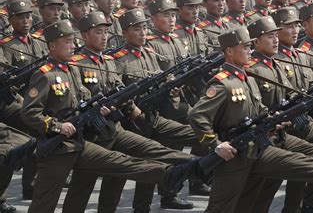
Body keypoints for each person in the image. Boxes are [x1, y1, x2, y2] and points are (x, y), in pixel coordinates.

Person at [188, 26, 313, 212]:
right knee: (220, 208)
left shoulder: (246, 77)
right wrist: (215, 145)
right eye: (245, 47)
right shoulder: (223, 83)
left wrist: (273, 119)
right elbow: (197, 116)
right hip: (234, 157)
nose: (249, 51)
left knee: (305, 164)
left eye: (250, 46)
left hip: (259, 147)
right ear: (229, 51)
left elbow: (258, 110)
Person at [20, 19, 200, 213]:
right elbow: (29, 113)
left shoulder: (72, 69)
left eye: (73, 41)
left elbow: (83, 101)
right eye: (67, 42)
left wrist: (100, 108)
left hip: (85, 139)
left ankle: (195, 166)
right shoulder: (46, 75)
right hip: (59, 146)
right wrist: (58, 126)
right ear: (52, 46)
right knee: (46, 203)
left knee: (128, 162)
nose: (73, 46)